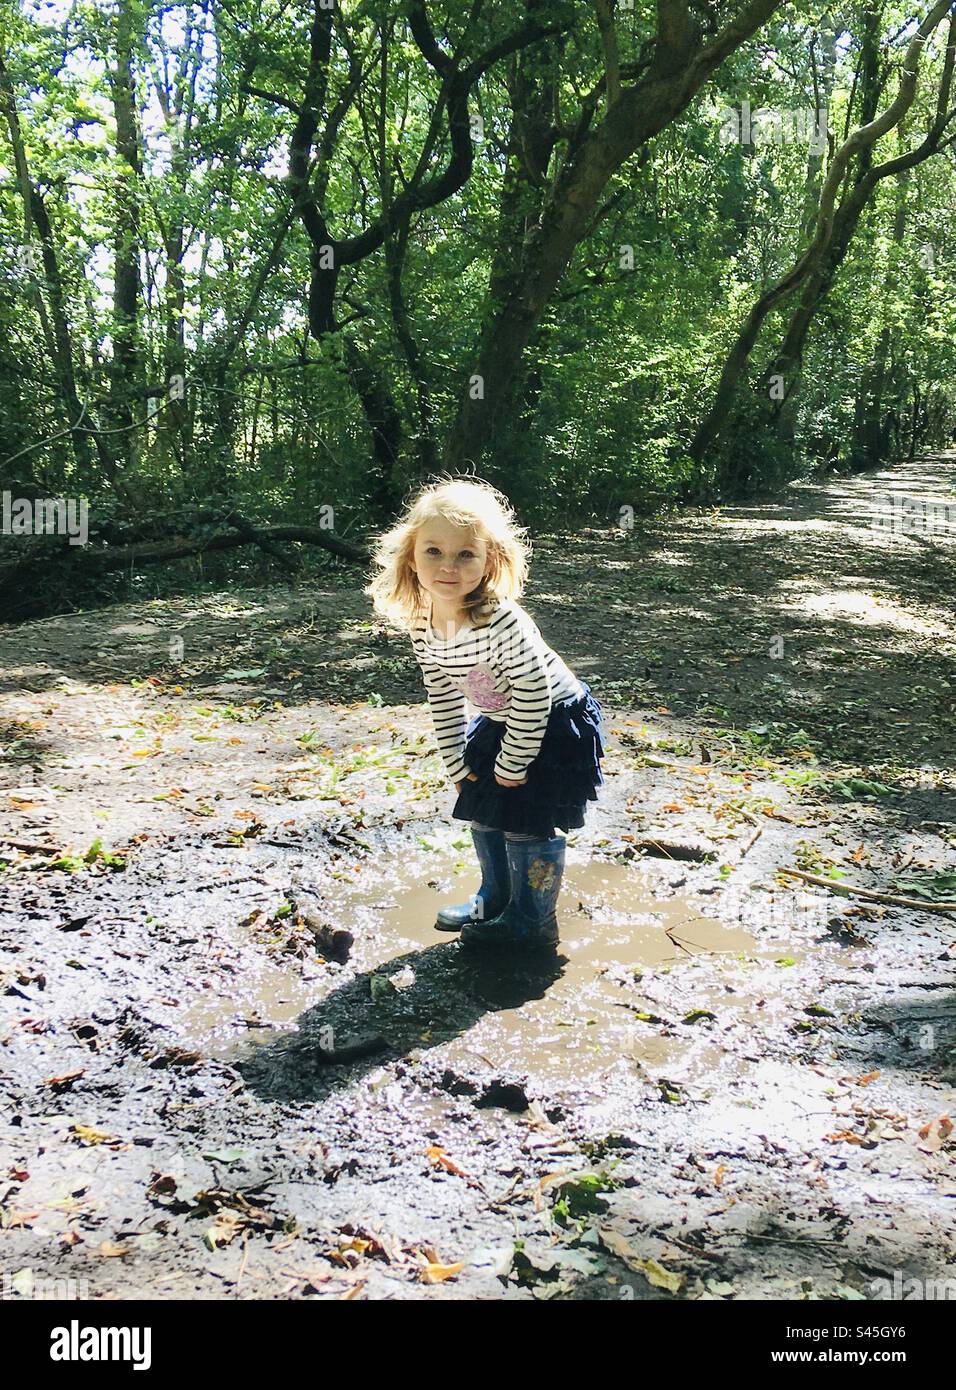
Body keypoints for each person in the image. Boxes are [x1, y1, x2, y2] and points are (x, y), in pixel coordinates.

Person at [365, 478, 605, 953]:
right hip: (499, 721)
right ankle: (493, 898)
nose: (448, 566)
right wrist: (456, 763)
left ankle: (532, 919)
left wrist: (514, 763)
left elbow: (535, 695)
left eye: (465, 554)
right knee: (483, 804)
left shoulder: (500, 621)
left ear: (490, 558)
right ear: (410, 556)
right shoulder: (421, 617)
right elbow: (442, 693)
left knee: (526, 817)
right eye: (433, 551)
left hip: (553, 723)